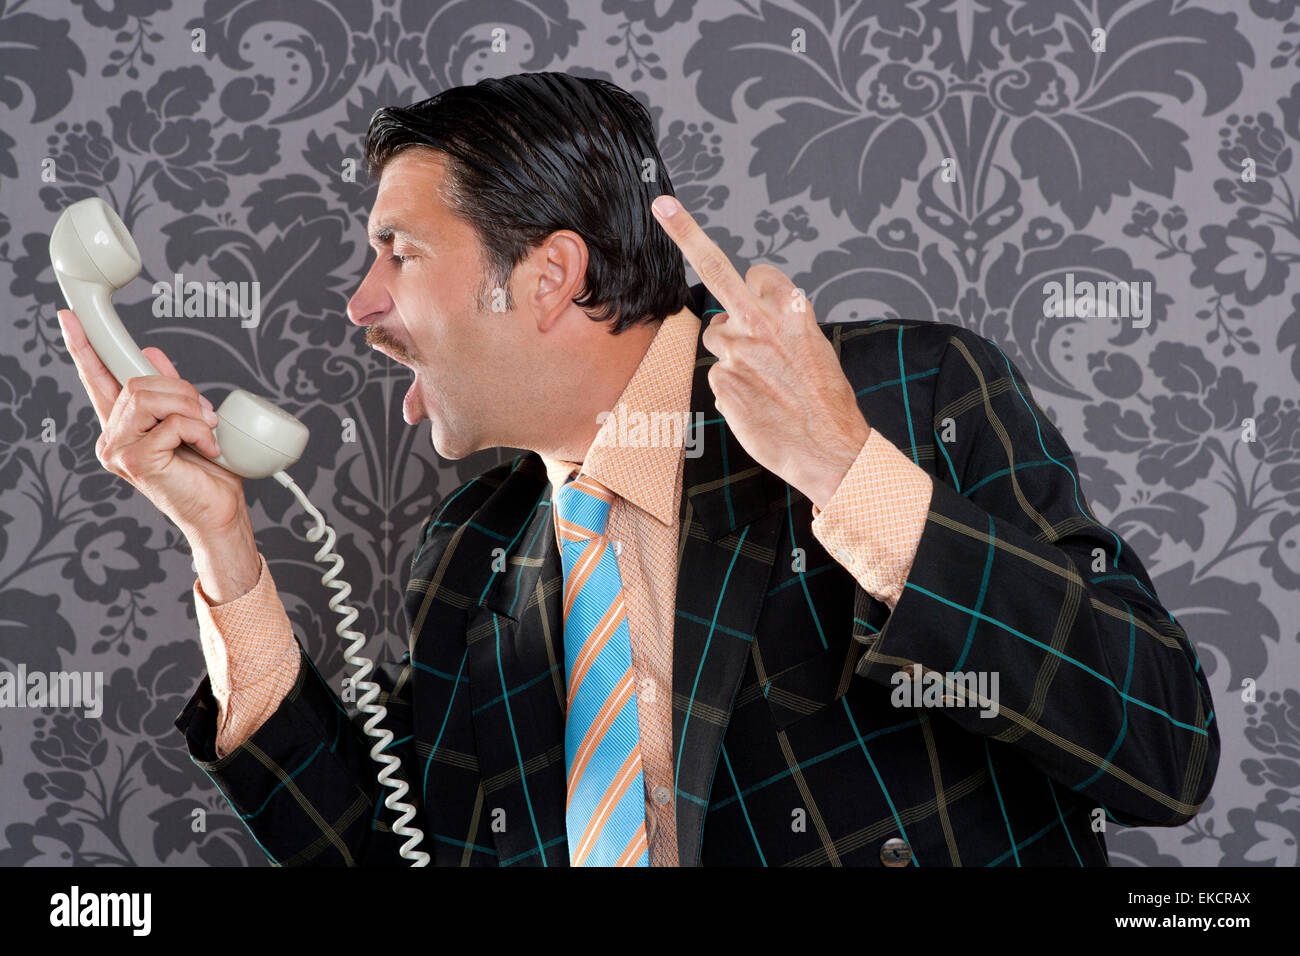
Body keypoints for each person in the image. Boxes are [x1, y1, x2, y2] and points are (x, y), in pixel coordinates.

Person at [59, 72, 1218, 867]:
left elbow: (1161, 746)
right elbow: (378, 843)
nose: (361, 305)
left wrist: (846, 470)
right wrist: (222, 544)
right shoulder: (472, 553)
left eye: (397, 252)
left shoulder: (901, 393)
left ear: (551, 275)